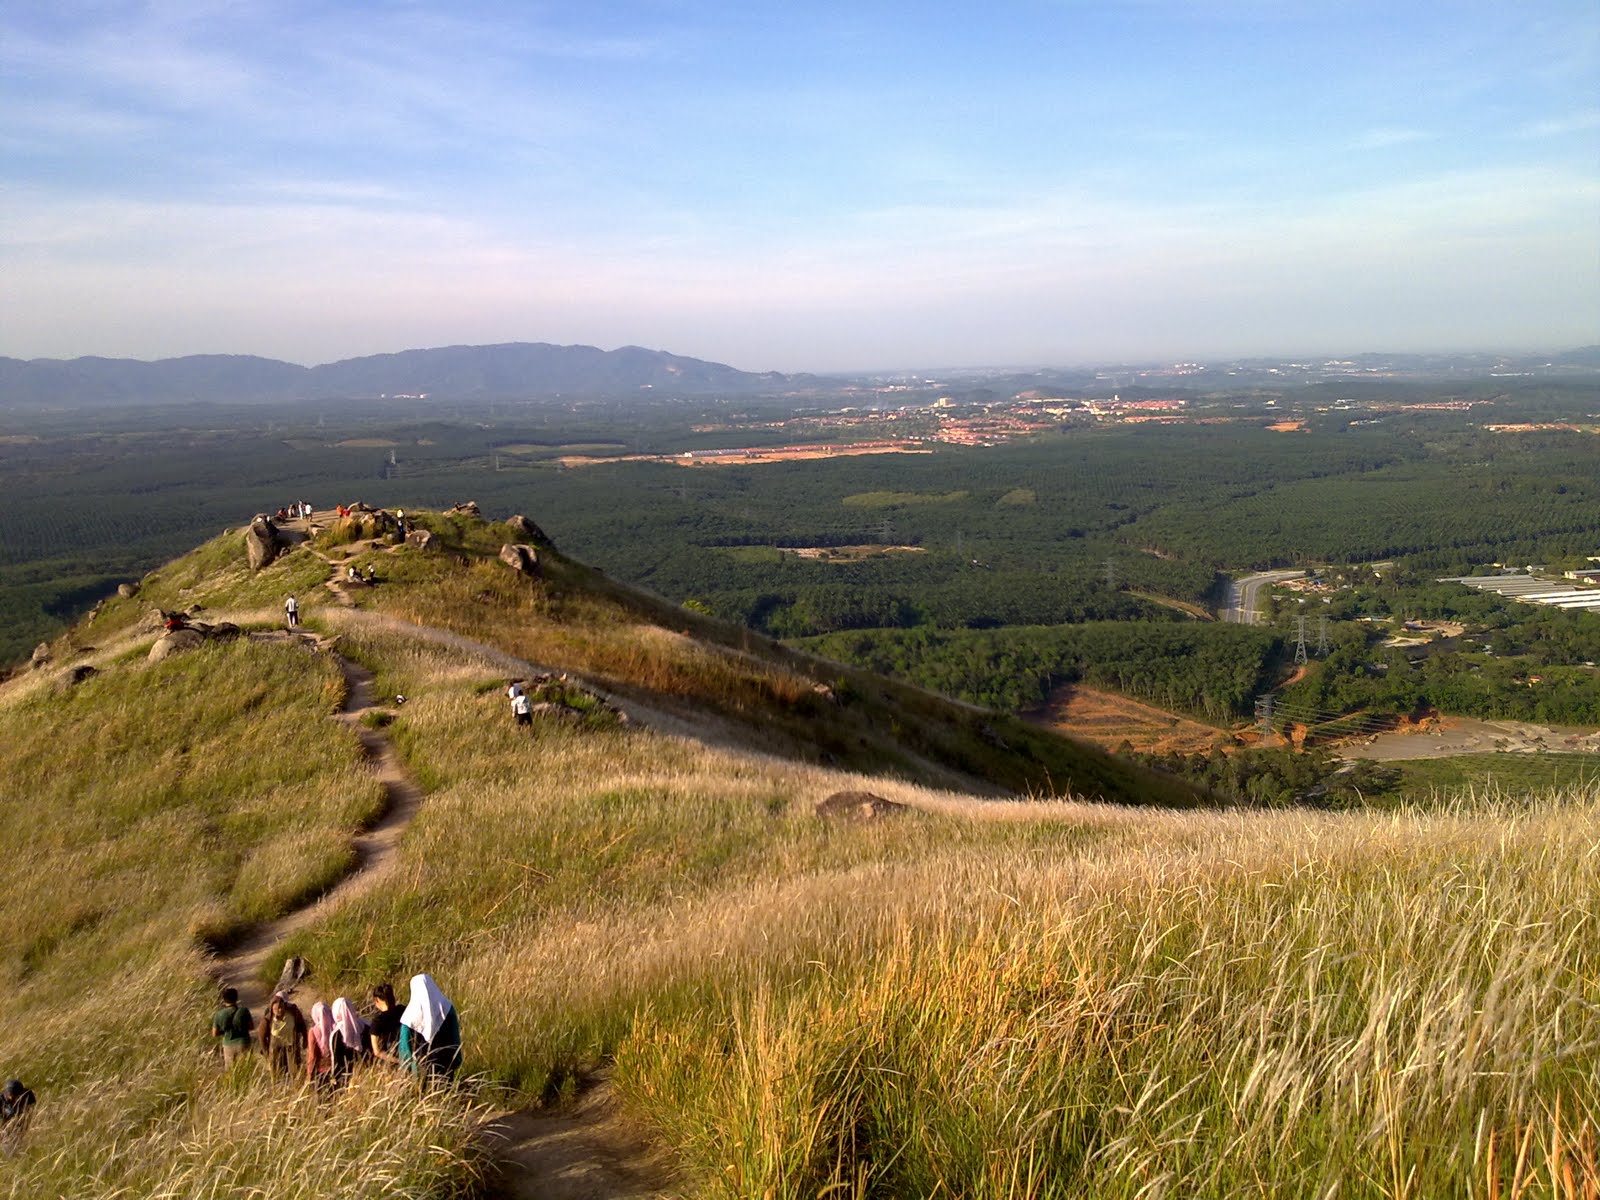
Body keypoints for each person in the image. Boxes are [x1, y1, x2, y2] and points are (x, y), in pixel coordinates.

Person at [398, 974, 461, 1083]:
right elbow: (455, 1037)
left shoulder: (409, 1017)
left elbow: (405, 1049)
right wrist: (456, 1060)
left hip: (420, 1069)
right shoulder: (447, 1008)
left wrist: (406, 1069)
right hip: (446, 1063)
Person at [260, 992, 306, 1079]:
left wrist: (305, 1039)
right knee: (277, 1073)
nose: (279, 1010)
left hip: (291, 1046)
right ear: (272, 1009)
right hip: (275, 1049)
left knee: (294, 1071)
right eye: (277, 1008)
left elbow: (302, 1025)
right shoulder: (267, 1019)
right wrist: (266, 1053)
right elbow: (261, 1037)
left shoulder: (293, 1013)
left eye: (281, 1007)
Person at [330, 997, 369, 1085]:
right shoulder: (365, 1025)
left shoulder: (337, 1033)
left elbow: (337, 1060)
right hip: (367, 1073)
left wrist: (335, 1077)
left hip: (346, 1078)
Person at [211, 987, 254, 1066]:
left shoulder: (219, 1014)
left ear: (223, 999)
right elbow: (251, 1027)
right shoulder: (244, 1011)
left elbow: (214, 1033)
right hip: (243, 1042)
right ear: (236, 998)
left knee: (230, 1071)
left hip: (228, 1045)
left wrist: (225, 1030)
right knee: (245, 1068)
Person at [367, 984, 402, 1064]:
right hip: (410, 1054)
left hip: (390, 1061)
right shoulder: (402, 1010)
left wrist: (399, 1061)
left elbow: (377, 1051)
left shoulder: (377, 1021)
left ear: (377, 1000)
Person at [305, 1002, 335, 1088]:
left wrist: (309, 1074)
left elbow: (312, 1056)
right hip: (337, 1069)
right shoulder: (337, 1027)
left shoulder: (313, 1032)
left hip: (321, 1071)